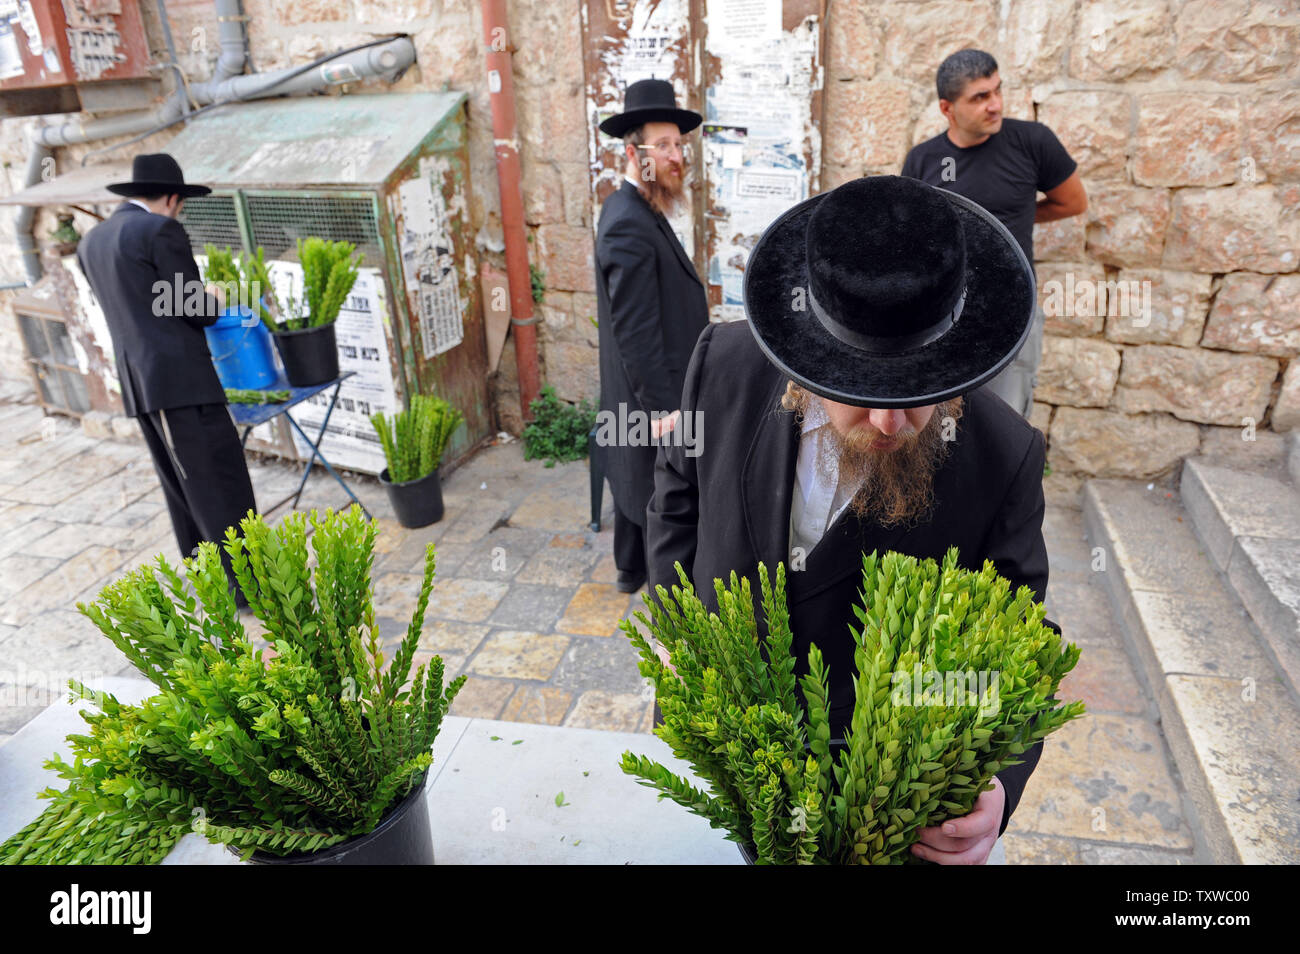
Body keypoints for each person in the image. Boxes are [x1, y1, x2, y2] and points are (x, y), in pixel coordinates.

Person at [646, 175, 1058, 865]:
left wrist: (998, 791)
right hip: (738, 753)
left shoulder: (1005, 455)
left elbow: (1022, 641)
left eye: (920, 390)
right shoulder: (720, 364)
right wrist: (674, 625)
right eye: (862, 392)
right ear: (810, 358)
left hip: (883, 800)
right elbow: (677, 495)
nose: (892, 422)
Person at [77, 153, 257, 604]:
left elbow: (137, 308)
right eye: (181, 205)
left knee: (180, 484)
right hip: (182, 382)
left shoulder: (92, 241)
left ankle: (209, 580)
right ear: (173, 199)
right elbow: (189, 307)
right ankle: (248, 587)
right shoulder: (160, 229)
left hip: (140, 384)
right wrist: (213, 296)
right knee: (220, 479)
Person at [902, 48, 1086, 418]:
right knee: (936, 417)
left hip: (1012, 308)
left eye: (997, 91)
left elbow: (1072, 203)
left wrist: (1002, 226)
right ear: (946, 108)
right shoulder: (923, 159)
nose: (996, 105)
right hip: (941, 311)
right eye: (980, 97)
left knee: (1003, 420)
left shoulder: (1033, 142)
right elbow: (914, 234)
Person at [594, 79, 710, 593]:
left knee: (637, 483)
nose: (675, 156)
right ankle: (667, 598)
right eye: (662, 145)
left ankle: (629, 570)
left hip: (646, 397)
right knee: (660, 495)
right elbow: (636, 334)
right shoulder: (627, 222)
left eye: (679, 145)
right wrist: (665, 413)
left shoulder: (640, 208)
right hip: (654, 401)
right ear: (631, 151)